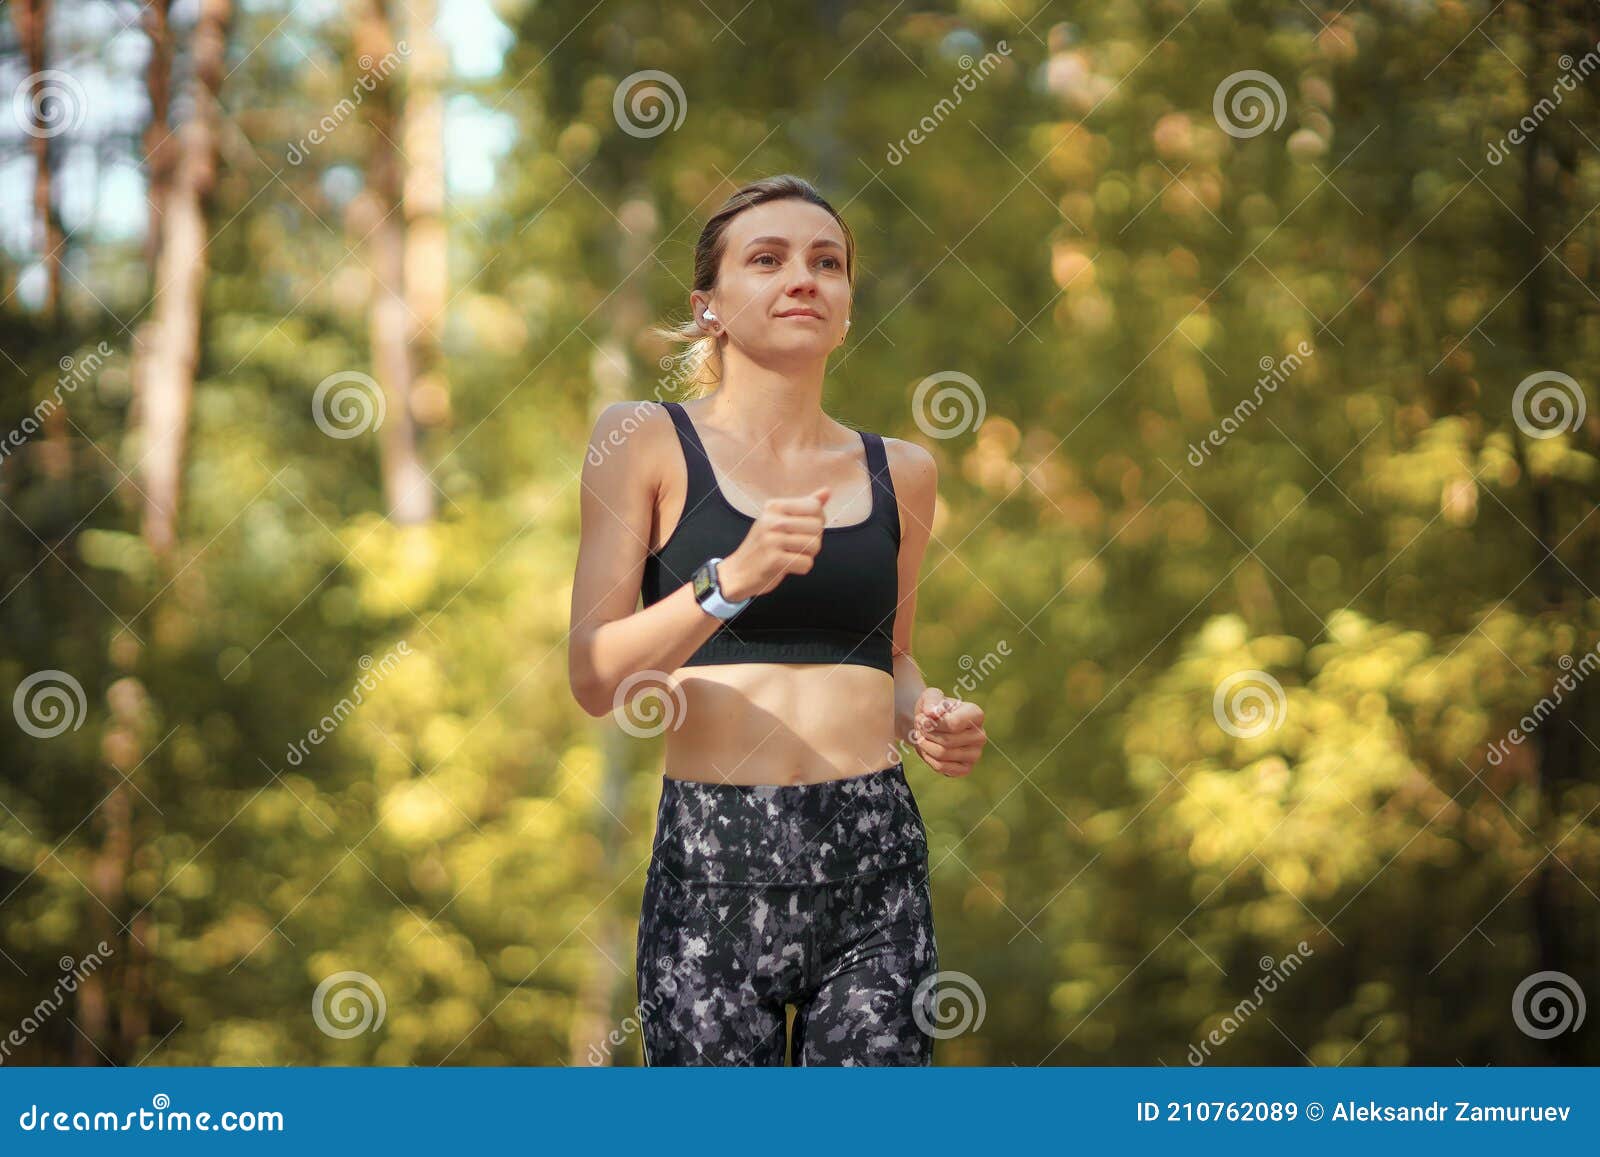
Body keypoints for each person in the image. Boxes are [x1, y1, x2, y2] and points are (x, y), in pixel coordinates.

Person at [568, 174, 989, 1065]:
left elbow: (893, 656)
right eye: (768, 259)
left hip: (876, 862)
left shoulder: (901, 471)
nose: (804, 277)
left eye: (826, 263)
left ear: (844, 307)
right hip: (713, 862)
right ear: (709, 305)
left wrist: (928, 715)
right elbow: (596, 676)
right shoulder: (643, 438)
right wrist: (730, 580)